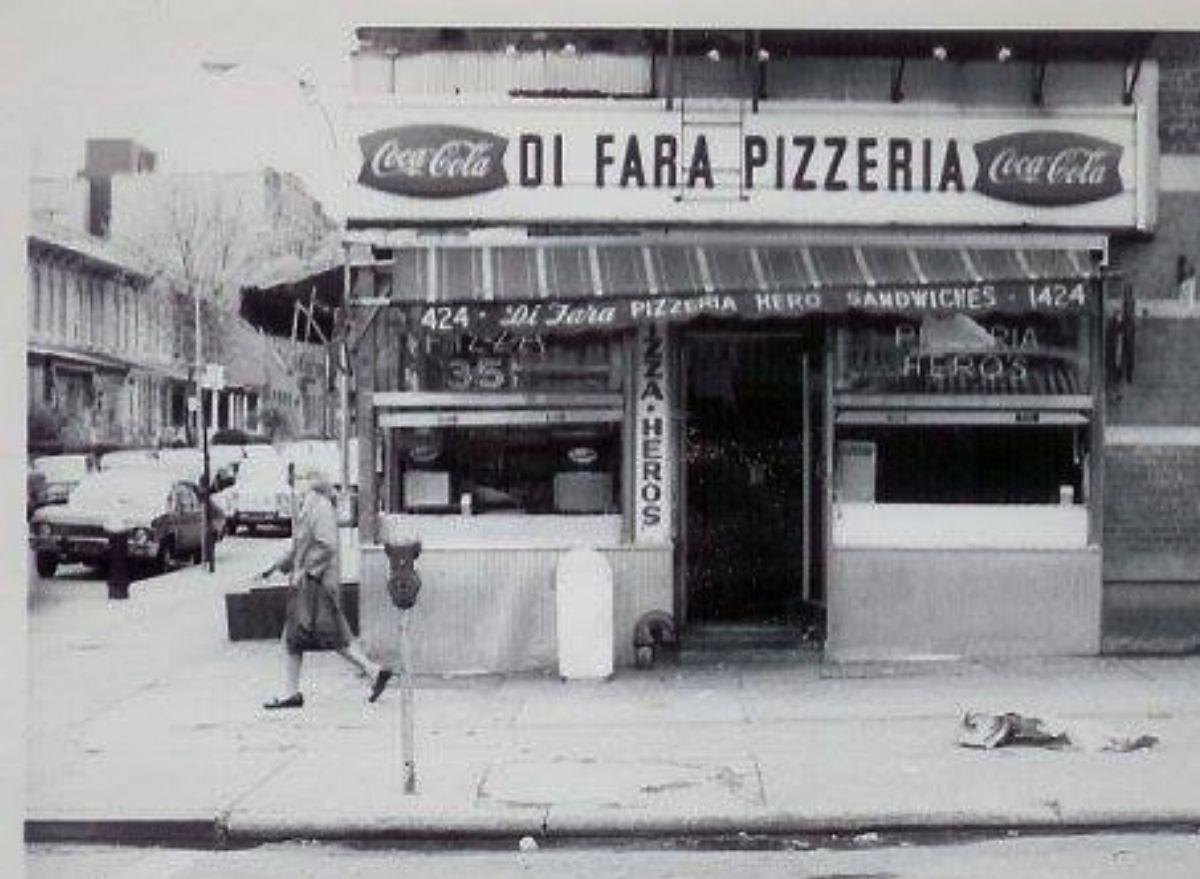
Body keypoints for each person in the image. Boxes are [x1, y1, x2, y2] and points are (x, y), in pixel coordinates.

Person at [261, 466, 392, 709]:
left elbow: (326, 545)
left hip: (315, 583)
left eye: (300, 477)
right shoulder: (310, 504)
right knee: (328, 636)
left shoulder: (318, 505)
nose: (294, 482)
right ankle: (373, 671)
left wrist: (305, 571)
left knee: (302, 637)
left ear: (312, 481)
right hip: (313, 581)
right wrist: (275, 567)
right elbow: (300, 545)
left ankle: (292, 693)